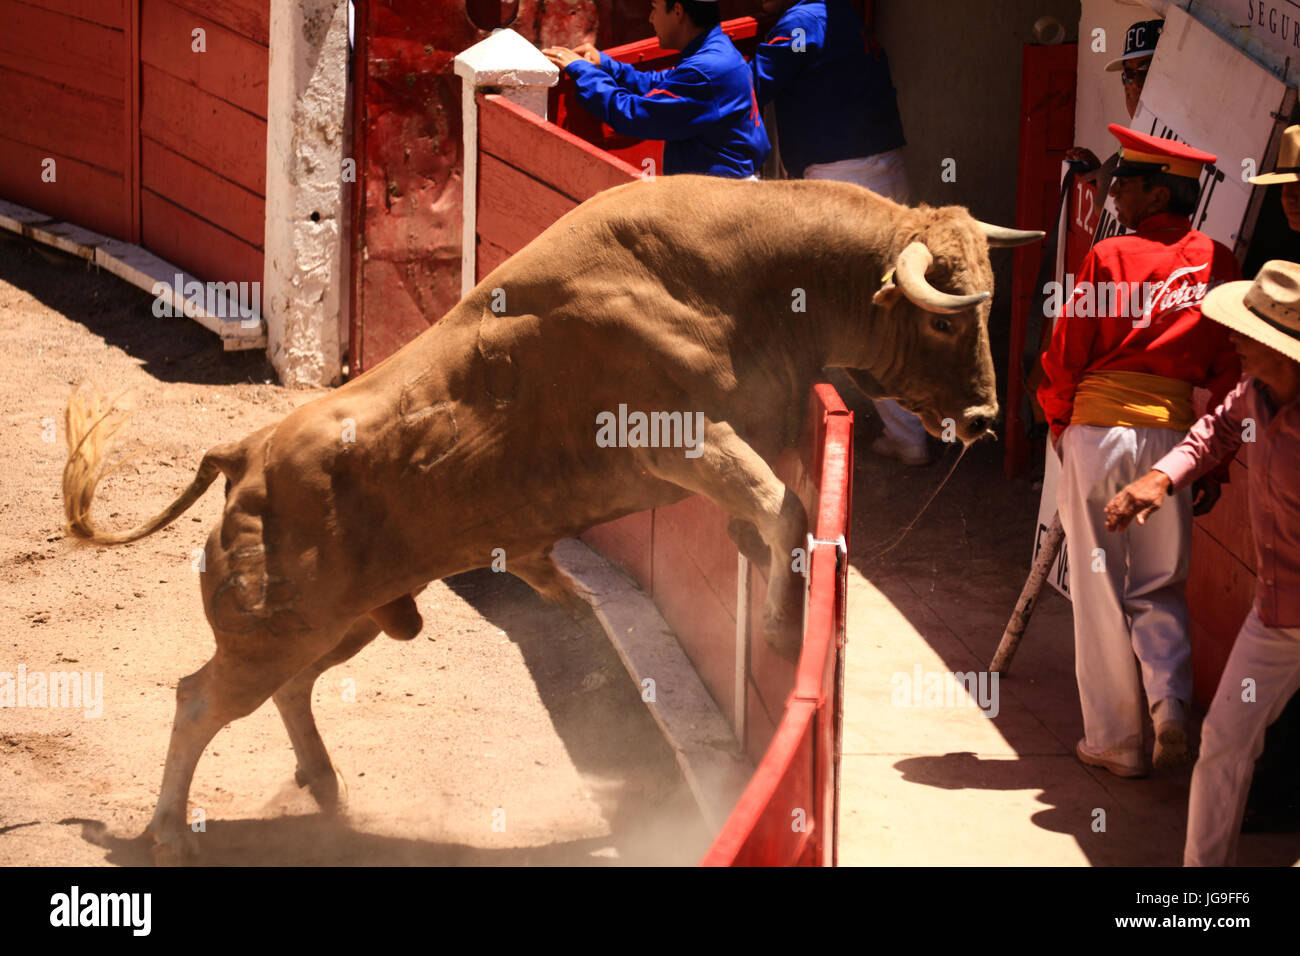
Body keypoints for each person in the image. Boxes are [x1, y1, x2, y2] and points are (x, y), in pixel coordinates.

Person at [1037, 125, 1242, 778]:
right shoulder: (1222, 260)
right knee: (1160, 584)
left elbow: (1066, 352)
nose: (1113, 193)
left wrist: (1059, 423)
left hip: (1098, 430)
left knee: (1099, 586)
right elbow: (1228, 371)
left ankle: (1117, 743)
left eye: (1125, 183)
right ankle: (1169, 706)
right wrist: (1216, 462)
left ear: (1160, 191)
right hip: (1172, 440)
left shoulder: (1110, 256)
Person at [1104, 260, 1300, 865]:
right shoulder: (1254, 391)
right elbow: (1214, 431)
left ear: (1284, 349)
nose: (1233, 339)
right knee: (1223, 739)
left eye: (1247, 332)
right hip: (1277, 611)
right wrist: (1161, 478)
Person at [750, 0, 925, 464]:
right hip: (880, 171)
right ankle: (910, 436)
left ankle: (791, 433)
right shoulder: (842, 14)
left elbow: (742, 88)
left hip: (843, 184)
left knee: (823, 311)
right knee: (885, 313)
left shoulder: (804, 21)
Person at [541, 1, 769, 179]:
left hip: (719, 199)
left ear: (678, 11)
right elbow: (657, 83)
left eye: (655, 8)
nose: (650, 18)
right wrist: (607, 65)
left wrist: (582, 71)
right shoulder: (715, 51)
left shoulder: (705, 70)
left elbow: (634, 115)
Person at [1065, 18, 1162, 202]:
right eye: (1129, 75)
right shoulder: (1140, 137)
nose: (1135, 85)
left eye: (1147, 69)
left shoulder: (1188, 137)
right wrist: (1104, 168)